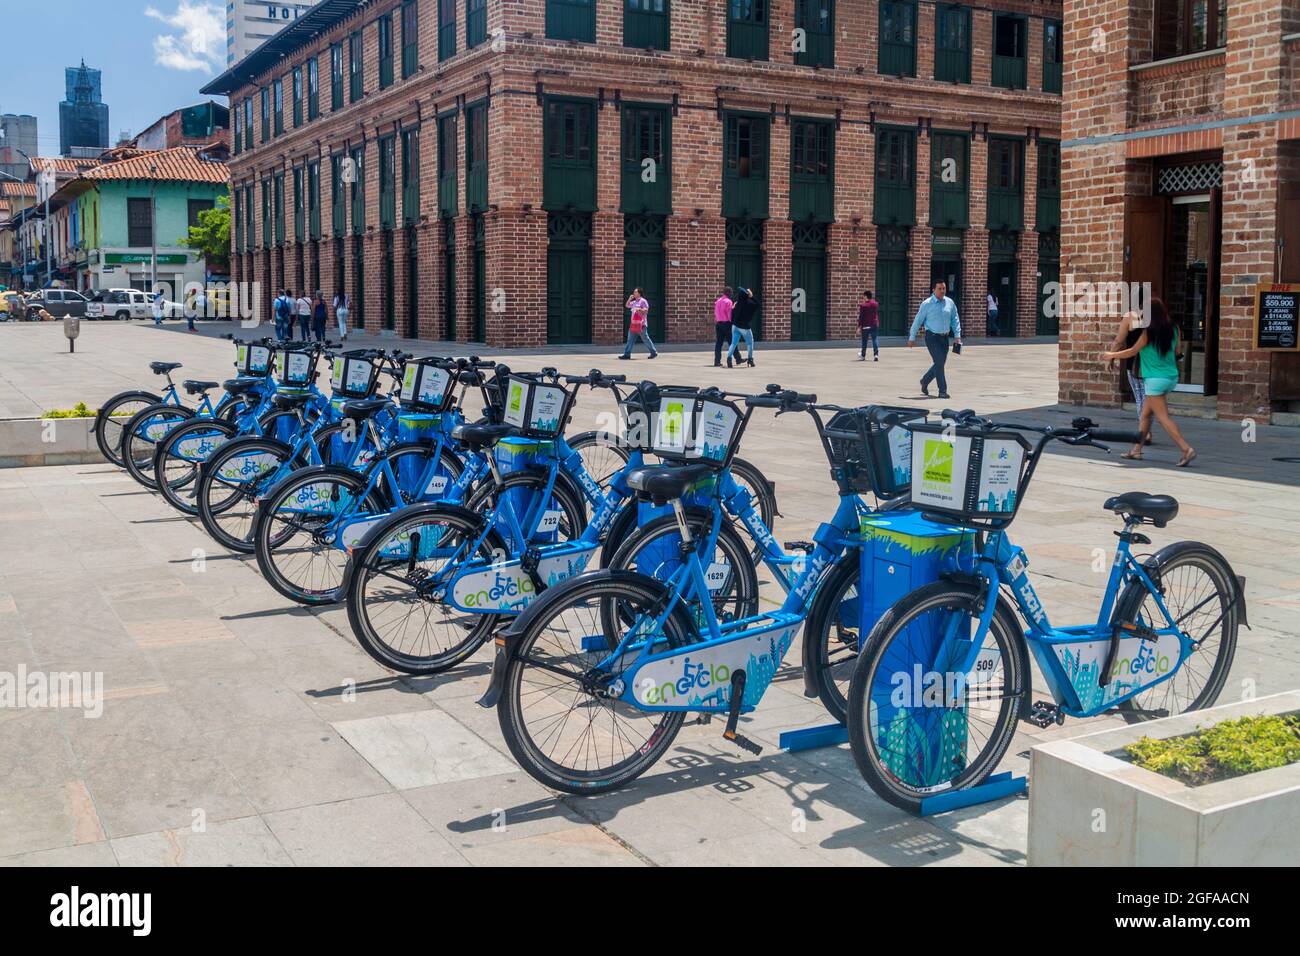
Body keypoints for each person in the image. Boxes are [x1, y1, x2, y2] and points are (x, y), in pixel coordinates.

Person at [1102, 298, 1196, 467]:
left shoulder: (1148, 332)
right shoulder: (1174, 329)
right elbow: (1178, 352)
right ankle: (1136, 450)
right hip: (1171, 377)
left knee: (1163, 418)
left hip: (1154, 380)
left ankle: (1186, 449)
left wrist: (1112, 355)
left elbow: (1132, 351)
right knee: (1146, 414)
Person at [1107, 310, 1153, 449]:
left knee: (1141, 398)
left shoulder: (1130, 317)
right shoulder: (1156, 316)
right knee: (1149, 399)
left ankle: (1145, 432)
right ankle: (1146, 431)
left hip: (1135, 364)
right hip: (1153, 363)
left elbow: (1119, 341)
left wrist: (1111, 356)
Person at [908, 279, 961, 399]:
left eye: (944, 288)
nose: (942, 291)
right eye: (940, 289)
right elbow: (918, 320)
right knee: (939, 363)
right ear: (933, 290)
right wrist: (912, 336)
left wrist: (957, 336)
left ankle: (924, 381)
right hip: (932, 337)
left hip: (945, 338)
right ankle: (942, 390)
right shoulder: (927, 304)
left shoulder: (950, 303)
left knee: (939, 363)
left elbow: (955, 319)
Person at [619, 288, 659, 360]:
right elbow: (627, 305)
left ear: (639, 293)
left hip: (641, 324)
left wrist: (639, 309)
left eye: (635, 292)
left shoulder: (643, 301)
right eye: (634, 292)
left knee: (645, 339)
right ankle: (627, 354)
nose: (634, 293)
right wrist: (629, 299)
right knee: (630, 340)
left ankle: (653, 352)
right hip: (633, 324)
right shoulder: (634, 302)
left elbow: (646, 311)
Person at [727, 287, 757, 368]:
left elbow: (732, 316)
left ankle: (729, 359)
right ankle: (750, 359)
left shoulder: (737, 304)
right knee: (750, 343)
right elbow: (757, 304)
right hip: (744, 327)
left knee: (733, 343)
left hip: (735, 326)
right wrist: (752, 296)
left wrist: (733, 309)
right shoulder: (749, 304)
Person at [713, 286, 734, 367]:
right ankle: (738, 358)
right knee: (732, 343)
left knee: (719, 343)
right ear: (729, 293)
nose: (732, 294)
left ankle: (717, 361)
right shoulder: (728, 302)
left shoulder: (718, 301)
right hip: (726, 324)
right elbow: (729, 315)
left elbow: (716, 313)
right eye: (731, 292)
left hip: (718, 324)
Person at [858, 290, 880, 361]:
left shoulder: (863, 305)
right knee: (875, 339)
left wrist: (859, 327)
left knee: (864, 341)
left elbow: (861, 317)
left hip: (865, 325)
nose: (863, 297)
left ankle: (863, 355)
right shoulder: (875, 304)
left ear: (866, 296)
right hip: (874, 324)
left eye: (863, 296)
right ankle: (876, 355)